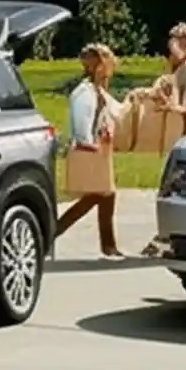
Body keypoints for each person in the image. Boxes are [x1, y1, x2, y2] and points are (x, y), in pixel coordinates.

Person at [142, 23, 186, 258]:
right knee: (176, 187)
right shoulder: (185, 69)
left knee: (176, 186)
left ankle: (166, 237)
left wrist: (171, 106)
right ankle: (170, 236)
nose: (172, 50)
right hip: (184, 136)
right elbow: (169, 85)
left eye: (177, 44)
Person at [56, 43, 126, 259]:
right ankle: (51, 233)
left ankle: (109, 246)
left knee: (105, 196)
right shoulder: (84, 93)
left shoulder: (99, 91)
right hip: (88, 151)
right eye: (108, 63)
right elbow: (80, 126)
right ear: (99, 66)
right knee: (97, 196)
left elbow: (120, 111)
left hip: (98, 151)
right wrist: (91, 144)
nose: (112, 67)